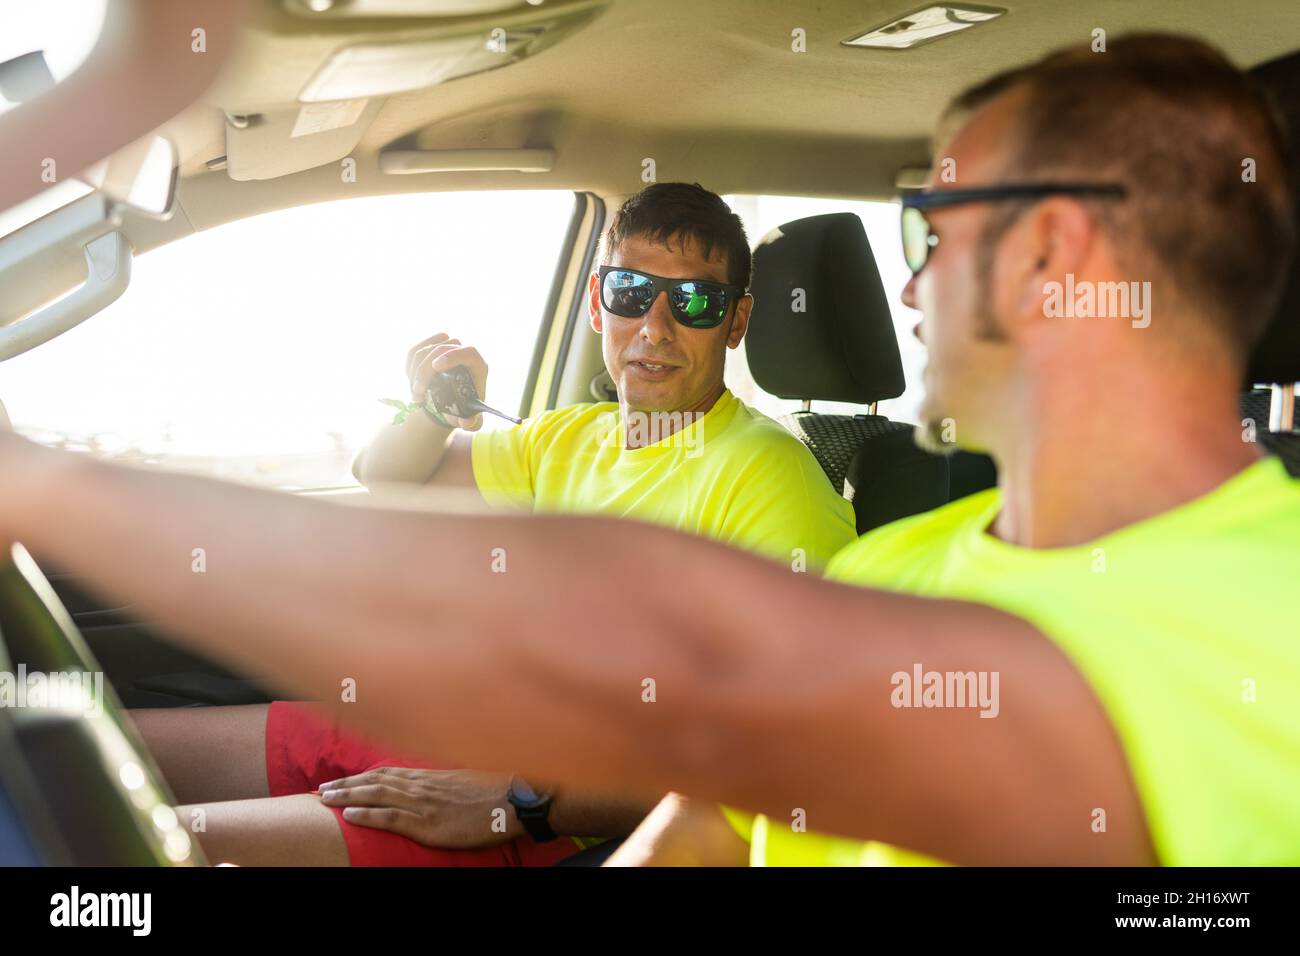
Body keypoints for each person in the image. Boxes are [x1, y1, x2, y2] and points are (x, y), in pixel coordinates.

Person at [1, 33, 1296, 866]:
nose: (909, 292)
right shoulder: (907, 558)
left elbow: (698, 659)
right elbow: (708, 819)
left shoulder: (1268, 614)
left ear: (1055, 256)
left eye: (927, 226)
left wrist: (43, 489)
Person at [120, 182, 857, 866]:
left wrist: (514, 800)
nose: (654, 328)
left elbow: (771, 756)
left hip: (566, 814)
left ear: (736, 322)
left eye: (694, 302)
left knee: (135, 840)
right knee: (92, 753)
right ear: (598, 305)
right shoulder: (574, 436)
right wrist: (435, 409)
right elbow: (388, 474)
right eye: (631, 292)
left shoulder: (770, 478)